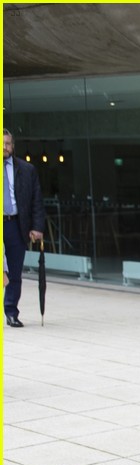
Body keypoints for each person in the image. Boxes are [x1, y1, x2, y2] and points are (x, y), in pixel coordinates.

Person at [3, 128, 46, 328]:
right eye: (1, 144)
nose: (4, 147)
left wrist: (37, 227)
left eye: (7, 143)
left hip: (15, 224)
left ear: (13, 145)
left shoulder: (27, 170)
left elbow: (37, 200)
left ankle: (11, 312)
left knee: (14, 272)